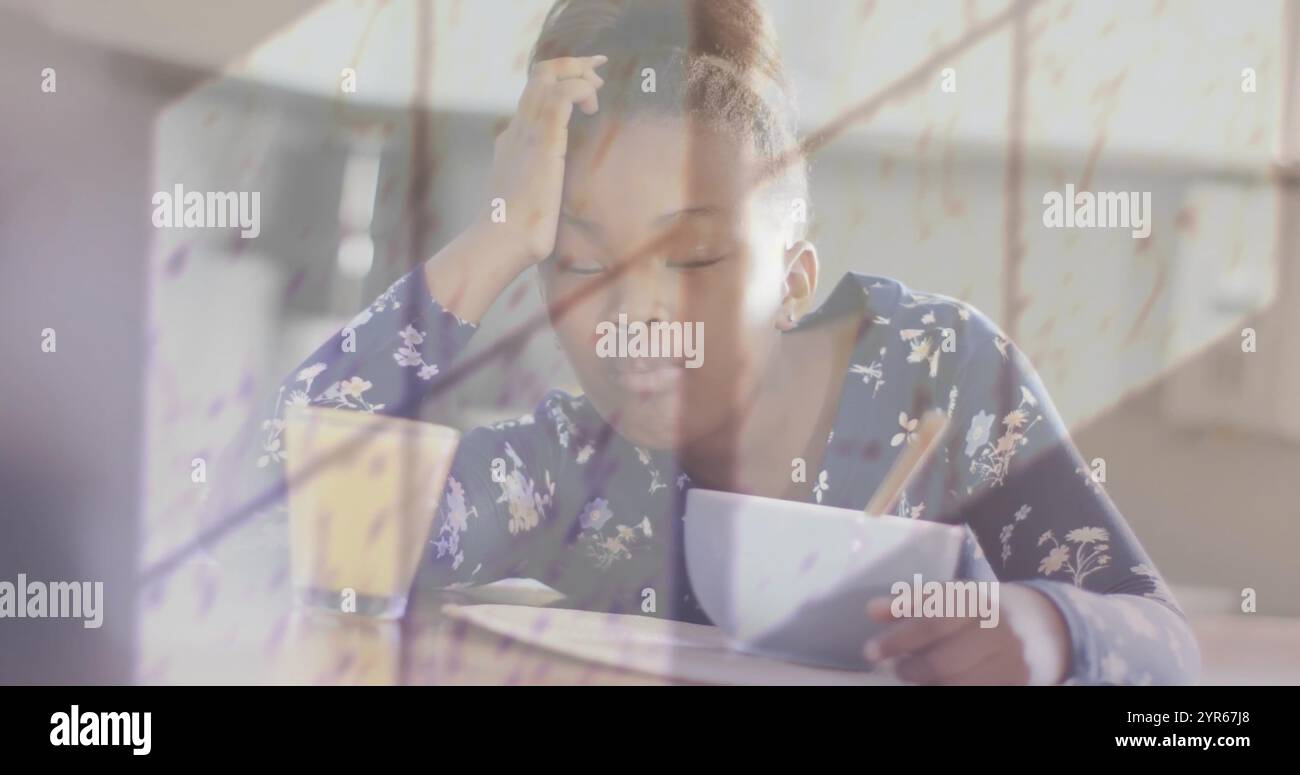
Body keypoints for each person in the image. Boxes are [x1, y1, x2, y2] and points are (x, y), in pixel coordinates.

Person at [239, 0, 1199, 685]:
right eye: (575, 262)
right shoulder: (576, 470)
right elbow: (288, 510)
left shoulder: (939, 374)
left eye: (694, 257)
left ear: (794, 278)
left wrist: (1049, 635)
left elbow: (1169, 653)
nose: (634, 317)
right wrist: (495, 238)